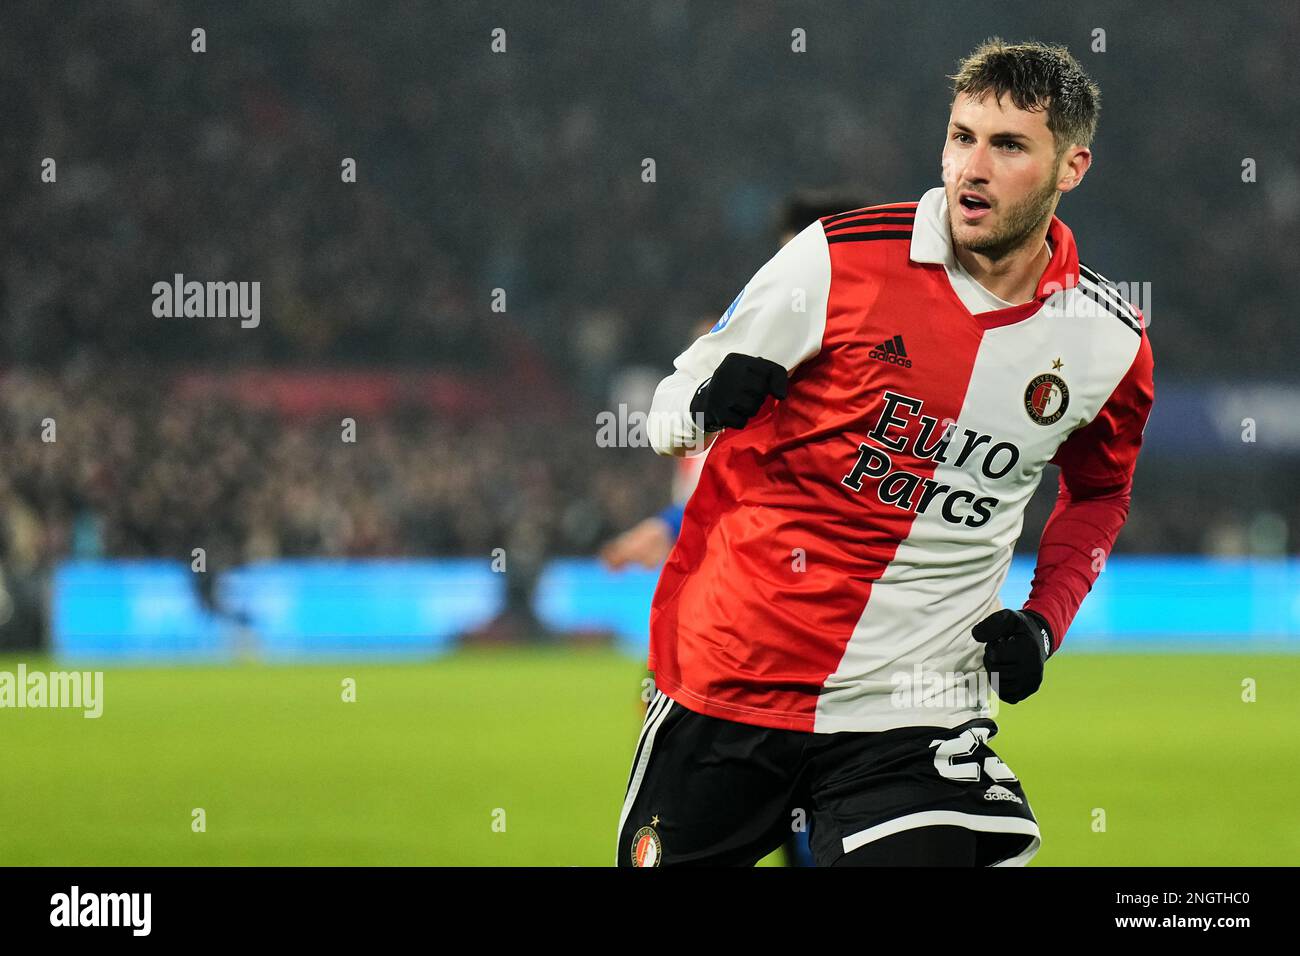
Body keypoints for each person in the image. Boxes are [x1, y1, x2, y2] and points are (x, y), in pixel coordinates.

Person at [617, 38, 1154, 867]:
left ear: (1070, 167)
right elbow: (663, 411)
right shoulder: (835, 258)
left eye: (1008, 145)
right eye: (962, 137)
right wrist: (704, 404)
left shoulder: (1107, 346)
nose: (972, 167)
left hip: (918, 707)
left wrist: (1045, 622)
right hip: (733, 676)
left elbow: (1099, 495)